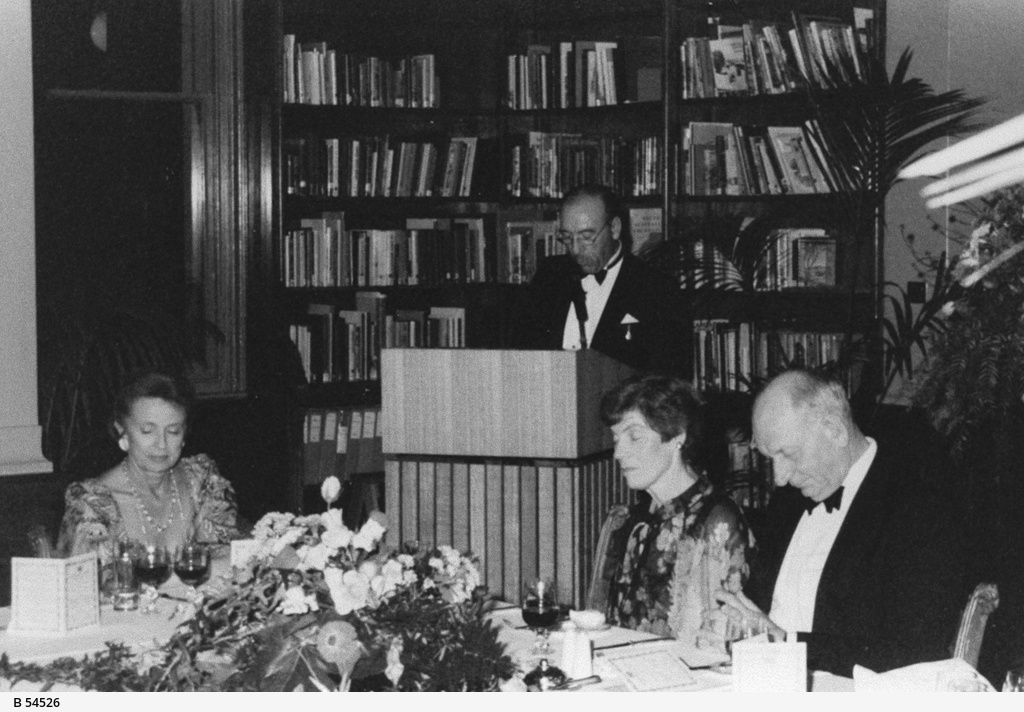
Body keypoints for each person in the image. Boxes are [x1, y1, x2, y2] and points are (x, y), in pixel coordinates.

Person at [716, 369, 966, 676]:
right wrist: (732, 624)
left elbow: (913, 651)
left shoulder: (917, 507)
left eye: (788, 454)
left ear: (834, 429)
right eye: (770, 458)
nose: (779, 478)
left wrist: (784, 643)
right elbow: (758, 606)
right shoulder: (789, 502)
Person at [593, 373, 749, 648]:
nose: (618, 453)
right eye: (617, 439)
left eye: (634, 437)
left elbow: (716, 642)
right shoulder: (637, 517)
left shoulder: (716, 519)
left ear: (677, 436)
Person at [57, 370, 241, 564]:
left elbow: (227, 563)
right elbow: (83, 584)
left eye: (173, 431)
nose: (161, 444)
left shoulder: (203, 482)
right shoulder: (93, 503)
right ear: (122, 430)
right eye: (147, 431)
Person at [512, 184, 689, 376]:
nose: (575, 249)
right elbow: (523, 352)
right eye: (567, 237)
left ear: (614, 228)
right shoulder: (550, 275)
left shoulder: (656, 288)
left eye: (586, 237)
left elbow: (669, 377)